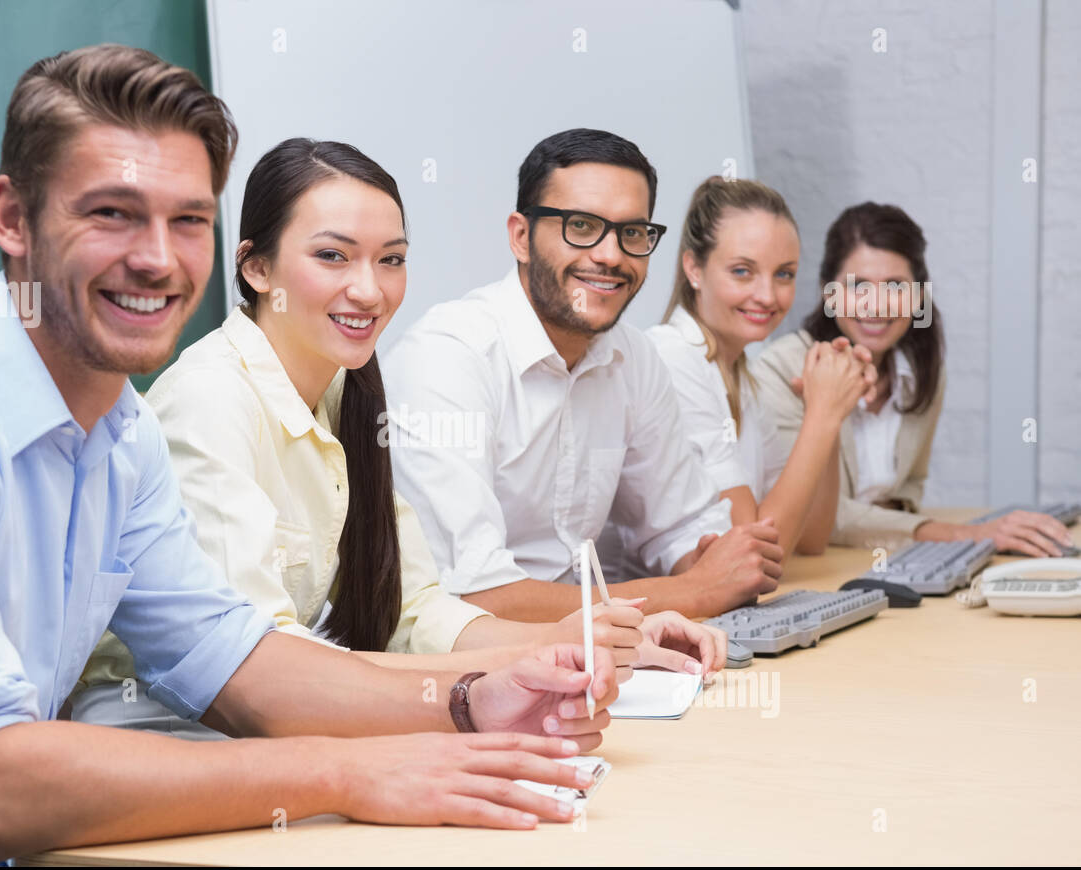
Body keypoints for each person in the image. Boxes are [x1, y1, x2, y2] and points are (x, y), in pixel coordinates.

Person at [0, 45, 627, 867]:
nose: (156, 258)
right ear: (12, 218)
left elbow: (237, 661)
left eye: (187, 220)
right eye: (111, 212)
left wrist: (470, 702)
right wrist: (349, 772)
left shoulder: (122, 430)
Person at [74, 137, 710, 733]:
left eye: (392, 260)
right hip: (169, 738)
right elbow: (259, 670)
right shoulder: (212, 399)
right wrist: (487, 687)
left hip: (287, 730)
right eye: (333, 256)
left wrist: (578, 639)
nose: (369, 289)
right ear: (257, 268)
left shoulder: (347, 392)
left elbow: (415, 610)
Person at [383, 128, 784, 631]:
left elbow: (678, 525)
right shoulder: (446, 356)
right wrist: (692, 591)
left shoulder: (633, 357)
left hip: (593, 655)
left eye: (632, 233)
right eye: (581, 226)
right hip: (466, 671)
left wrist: (711, 559)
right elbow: (474, 596)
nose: (611, 256)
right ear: (520, 237)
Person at [751, 201, 1073, 556]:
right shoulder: (783, 371)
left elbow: (908, 490)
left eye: (895, 286)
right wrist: (962, 534)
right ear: (830, 294)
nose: (876, 305)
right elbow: (819, 516)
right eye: (858, 286)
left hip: (883, 554)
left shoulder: (922, 373)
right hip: (813, 566)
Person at [648, 177, 877, 557]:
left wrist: (829, 412)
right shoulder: (672, 359)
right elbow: (753, 552)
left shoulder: (743, 380)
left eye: (783, 274)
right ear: (694, 269)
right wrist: (822, 414)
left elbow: (811, 538)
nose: (768, 296)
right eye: (742, 271)